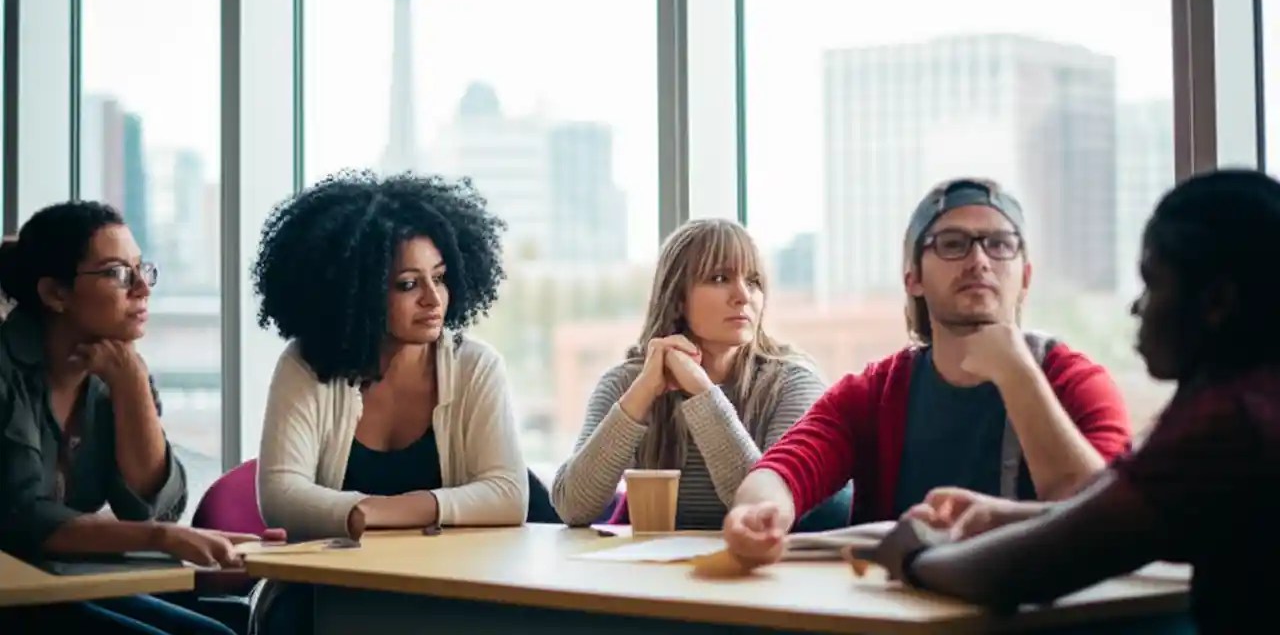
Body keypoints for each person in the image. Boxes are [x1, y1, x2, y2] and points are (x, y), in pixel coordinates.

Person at [851, 169, 1280, 635]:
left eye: (1152, 284)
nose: (1138, 307)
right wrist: (1009, 516)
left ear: (1217, 302)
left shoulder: (1229, 423)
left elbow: (1039, 565)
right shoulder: (1243, 402)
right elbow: (1127, 511)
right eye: (954, 245)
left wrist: (915, 559)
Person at [724, 178, 1131, 563]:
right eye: (953, 244)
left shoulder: (1075, 381)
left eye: (1000, 245)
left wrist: (1017, 372)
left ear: (1025, 277)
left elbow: (1108, 515)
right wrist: (759, 514)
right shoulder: (876, 393)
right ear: (913, 278)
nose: (979, 260)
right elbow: (781, 470)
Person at [250, 171, 527, 633]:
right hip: (324, 591)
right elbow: (280, 496)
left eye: (439, 278)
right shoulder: (306, 366)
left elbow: (507, 495)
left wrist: (378, 512)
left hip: (450, 586)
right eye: (407, 285)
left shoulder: (475, 366)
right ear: (355, 290)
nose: (433, 299)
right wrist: (361, 513)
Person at [0, 202, 259, 635]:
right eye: (118, 272)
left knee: (219, 630)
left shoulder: (117, 370)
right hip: (13, 589)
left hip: (55, 583)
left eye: (143, 269)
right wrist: (159, 538)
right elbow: (24, 521)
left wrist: (132, 384)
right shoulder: (6, 371)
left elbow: (154, 506)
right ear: (55, 294)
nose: (142, 287)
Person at [552, 218, 828, 530]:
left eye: (753, 282)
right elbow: (573, 507)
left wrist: (703, 392)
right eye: (720, 278)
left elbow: (767, 513)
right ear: (678, 298)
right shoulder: (626, 383)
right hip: (656, 571)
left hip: (762, 571)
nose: (743, 296)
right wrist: (641, 395)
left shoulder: (792, 385)